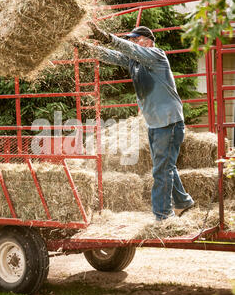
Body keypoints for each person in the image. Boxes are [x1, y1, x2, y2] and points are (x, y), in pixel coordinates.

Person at [80, 22, 194, 221]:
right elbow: (112, 55)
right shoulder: (135, 62)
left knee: (161, 170)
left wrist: (108, 37)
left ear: (148, 42)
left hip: (169, 122)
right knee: (166, 166)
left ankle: (163, 216)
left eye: (136, 39)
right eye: (130, 39)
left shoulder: (157, 55)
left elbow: (128, 49)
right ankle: (184, 202)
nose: (132, 42)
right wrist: (86, 48)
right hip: (155, 123)